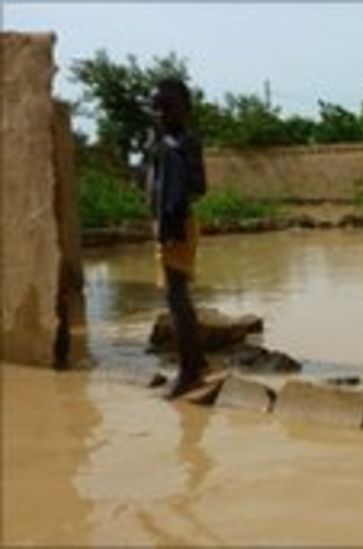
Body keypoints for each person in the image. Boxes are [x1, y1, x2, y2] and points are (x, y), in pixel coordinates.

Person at [149, 78, 208, 398]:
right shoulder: (161, 142)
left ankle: (190, 372)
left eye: (167, 106)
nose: (160, 113)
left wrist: (174, 205)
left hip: (177, 224)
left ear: (186, 107)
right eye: (155, 107)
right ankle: (196, 360)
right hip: (165, 224)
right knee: (175, 294)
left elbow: (199, 186)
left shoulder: (185, 141)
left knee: (176, 296)